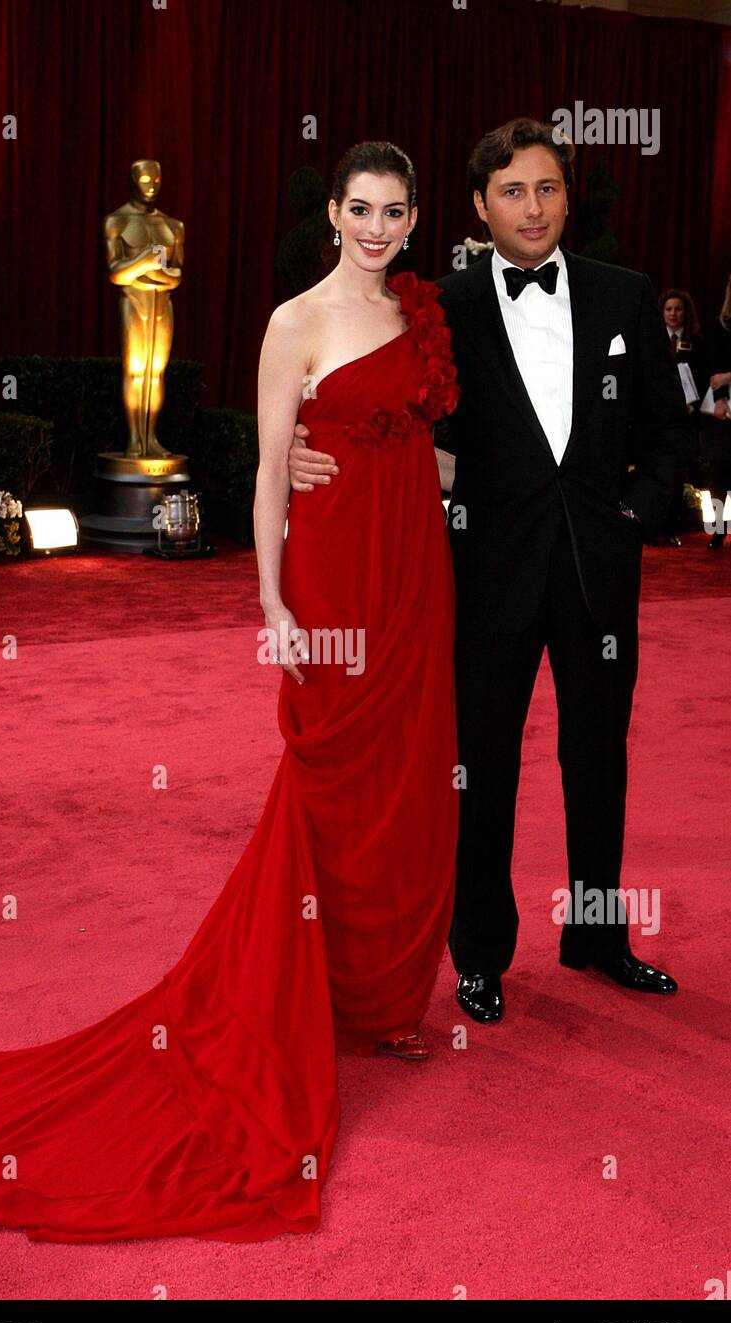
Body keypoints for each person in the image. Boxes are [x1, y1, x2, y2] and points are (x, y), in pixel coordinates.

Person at [0, 142, 460, 1242]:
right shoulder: (293, 322)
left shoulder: (418, 310)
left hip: (414, 575)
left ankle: (384, 999)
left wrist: (425, 469)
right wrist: (272, 601)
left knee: (411, 776)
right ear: (333, 214)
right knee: (329, 769)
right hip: (334, 571)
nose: (376, 227)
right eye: (359, 208)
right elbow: (265, 471)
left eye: (394, 212)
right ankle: (311, 989)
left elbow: (430, 442)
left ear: (412, 218)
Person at [289, 118, 695, 1026]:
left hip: (598, 575)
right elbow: (379, 418)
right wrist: (294, 456)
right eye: (511, 191)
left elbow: (670, 433)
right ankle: (478, 954)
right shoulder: (440, 306)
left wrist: (631, 516)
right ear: (478, 206)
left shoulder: (624, 296)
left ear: (566, 198)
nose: (532, 207)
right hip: (483, 577)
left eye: (546, 188)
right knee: (481, 771)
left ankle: (596, 935)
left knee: (598, 761)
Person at [655, 288, 709, 545]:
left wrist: (693, 405)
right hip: (657, 419)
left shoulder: (697, 343)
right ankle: (654, 525)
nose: (673, 314)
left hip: (687, 419)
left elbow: (702, 379)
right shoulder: (653, 341)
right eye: (668, 309)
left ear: (686, 312)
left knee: (679, 473)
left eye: (678, 309)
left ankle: (672, 526)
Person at [701, 273, 731, 550]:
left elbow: (723, 373)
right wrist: (720, 396)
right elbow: (711, 365)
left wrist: (728, 377)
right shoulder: (719, 325)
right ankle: (720, 527)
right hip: (720, 412)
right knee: (718, 471)